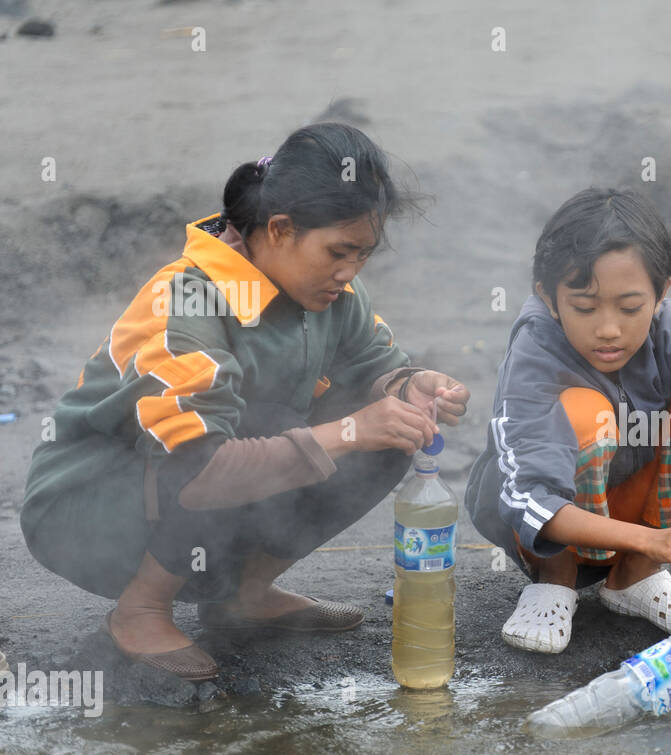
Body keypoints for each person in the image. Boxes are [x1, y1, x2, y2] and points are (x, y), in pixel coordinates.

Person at [20, 123, 469, 681]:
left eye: (363, 255)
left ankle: (245, 595)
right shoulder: (186, 299)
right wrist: (352, 429)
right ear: (279, 230)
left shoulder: (331, 294)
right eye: (338, 251)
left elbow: (375, 368)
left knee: (396, 428)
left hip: (188, 492)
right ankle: (141, 608)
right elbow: (200, 470)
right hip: (88, 506)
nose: (349, 272)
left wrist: (411, 386)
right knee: (273, 424)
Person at [465, 187, 671, 654]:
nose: (608, 328)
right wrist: (653, 538)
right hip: (547, 529)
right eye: (584, 307)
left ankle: (635, 576)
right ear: (547, 295)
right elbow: (530, 496)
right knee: (585, 412)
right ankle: (554, 579)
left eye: (629, 307)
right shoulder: (535, 350)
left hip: (633, 516)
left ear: (661, 293)